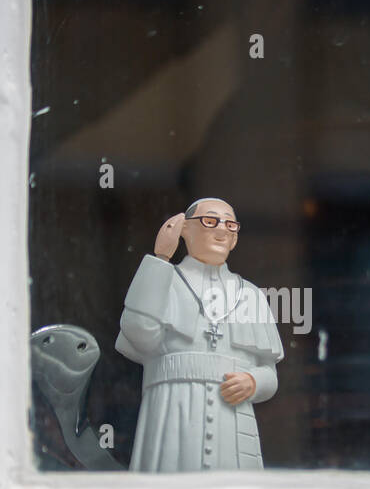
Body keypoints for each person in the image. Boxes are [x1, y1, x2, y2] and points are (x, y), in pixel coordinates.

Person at [115, 198, 283, 471]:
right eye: (210, 221)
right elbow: (140, 335)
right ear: (185, 230)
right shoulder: (163, 279)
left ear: (235, 239)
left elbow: (270, 374)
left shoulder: (250, 295)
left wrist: (253, 382)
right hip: (173, 409)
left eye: (230, 224)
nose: (222, 230)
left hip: (232, 417)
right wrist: (161, 259)